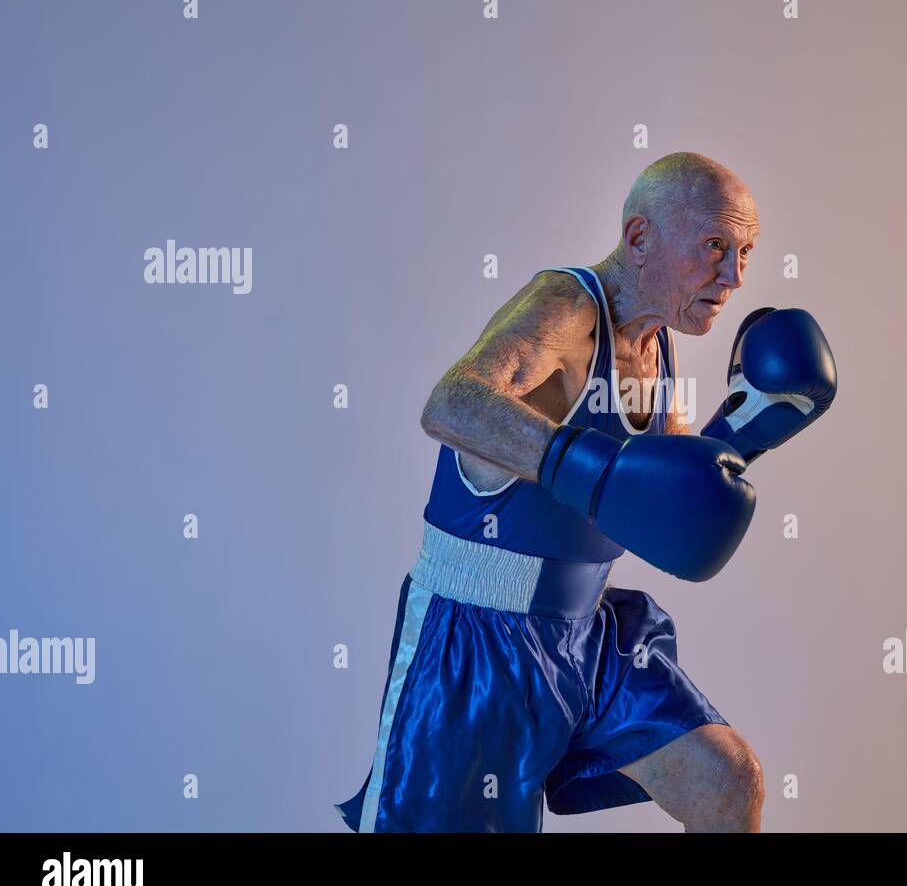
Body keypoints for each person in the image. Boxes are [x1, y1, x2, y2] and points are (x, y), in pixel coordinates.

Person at [336, 151, 835, 832]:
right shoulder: (566, 307)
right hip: (475, 643)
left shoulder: (659, 341)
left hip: (588, 639)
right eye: (715, 247)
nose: (735, 276)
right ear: (639, 238)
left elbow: (669, 502)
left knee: (727, 781)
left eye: (746, 252)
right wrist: (585, 467)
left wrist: (746, 428)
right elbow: (452, 403)